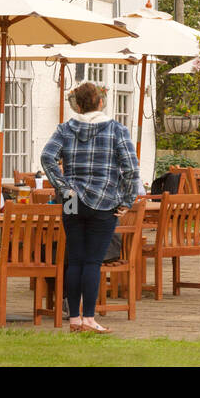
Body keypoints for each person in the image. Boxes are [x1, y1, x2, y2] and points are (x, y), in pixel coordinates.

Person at [41, 81, 140, 335]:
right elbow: (130, 168)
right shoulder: (117, 130)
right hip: (104, 201)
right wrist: (127, 201)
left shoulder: (65, 129)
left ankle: (74, 319)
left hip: (73, 199)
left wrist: (62, 187)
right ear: (100, 102)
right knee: (93, 262)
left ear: (79, 105)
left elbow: (47, 157)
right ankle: (88, 319)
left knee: (74, 259)